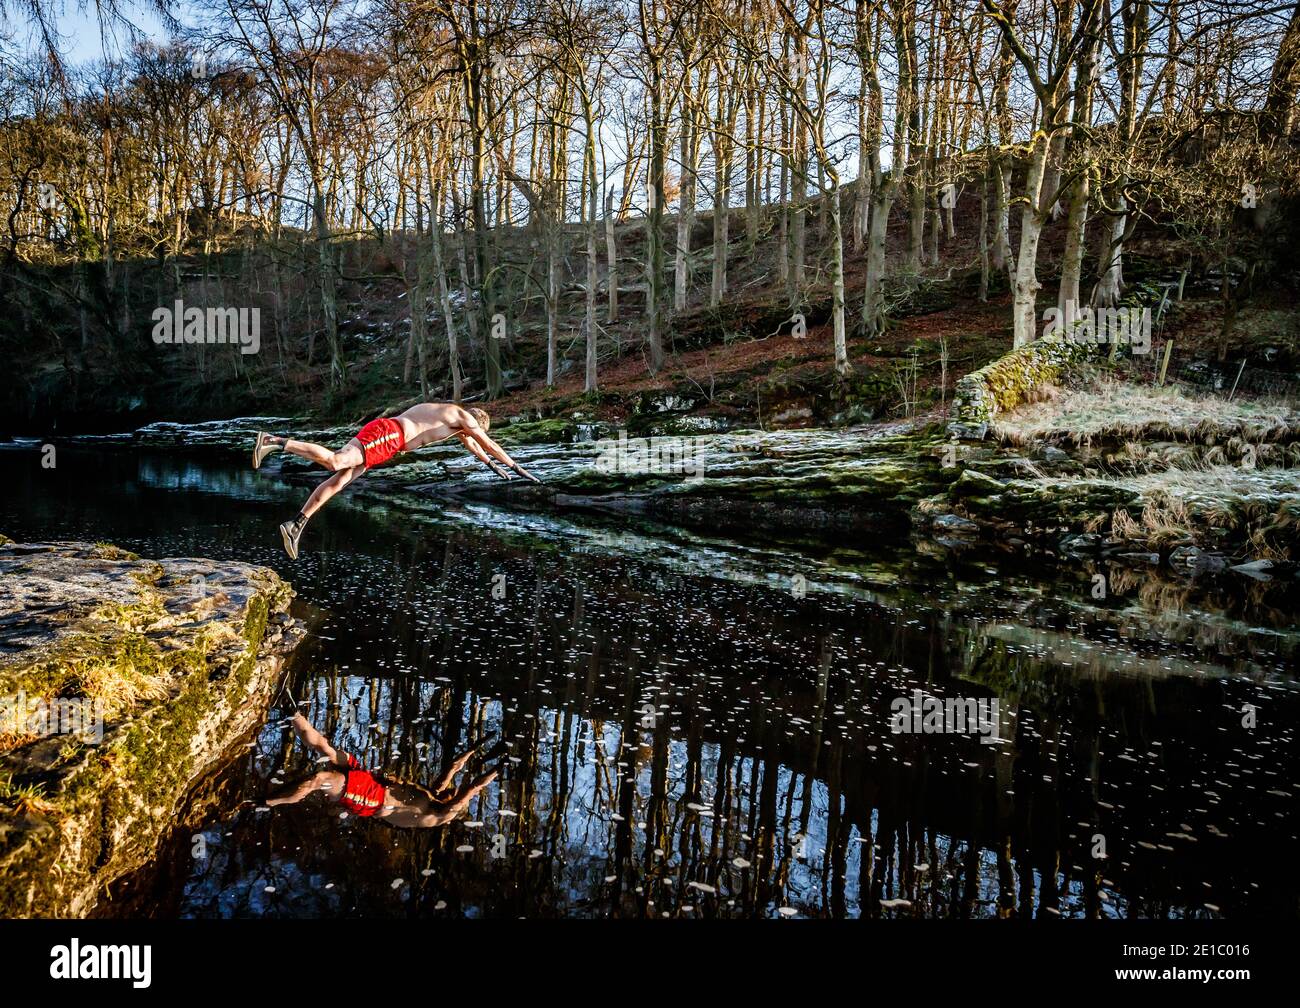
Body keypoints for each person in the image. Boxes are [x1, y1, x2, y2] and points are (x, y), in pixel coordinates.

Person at [251, 402, 540, 558]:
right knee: (337, 461)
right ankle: (274, 441)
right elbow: (486, 443)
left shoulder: (450, 416)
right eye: (471, 431)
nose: (468, 436)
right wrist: (515, 466)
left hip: (387, 435)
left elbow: (477, 448)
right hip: (390, 436)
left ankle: (295, 525)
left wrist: (490, 466)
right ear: (475, 421)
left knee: (341, 480)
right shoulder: (464, 417)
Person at [265, 710, 500, 829]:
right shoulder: (433, 795)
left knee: (320, 778)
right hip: (372, 783)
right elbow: (452, 768)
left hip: (371, 799)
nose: (449, 790)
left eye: (452, 794)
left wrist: (497, 770)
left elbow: (473, 787)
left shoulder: (441, 814)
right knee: (328, 749)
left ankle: (265, 803)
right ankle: (292, 712)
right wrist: (474, 749)